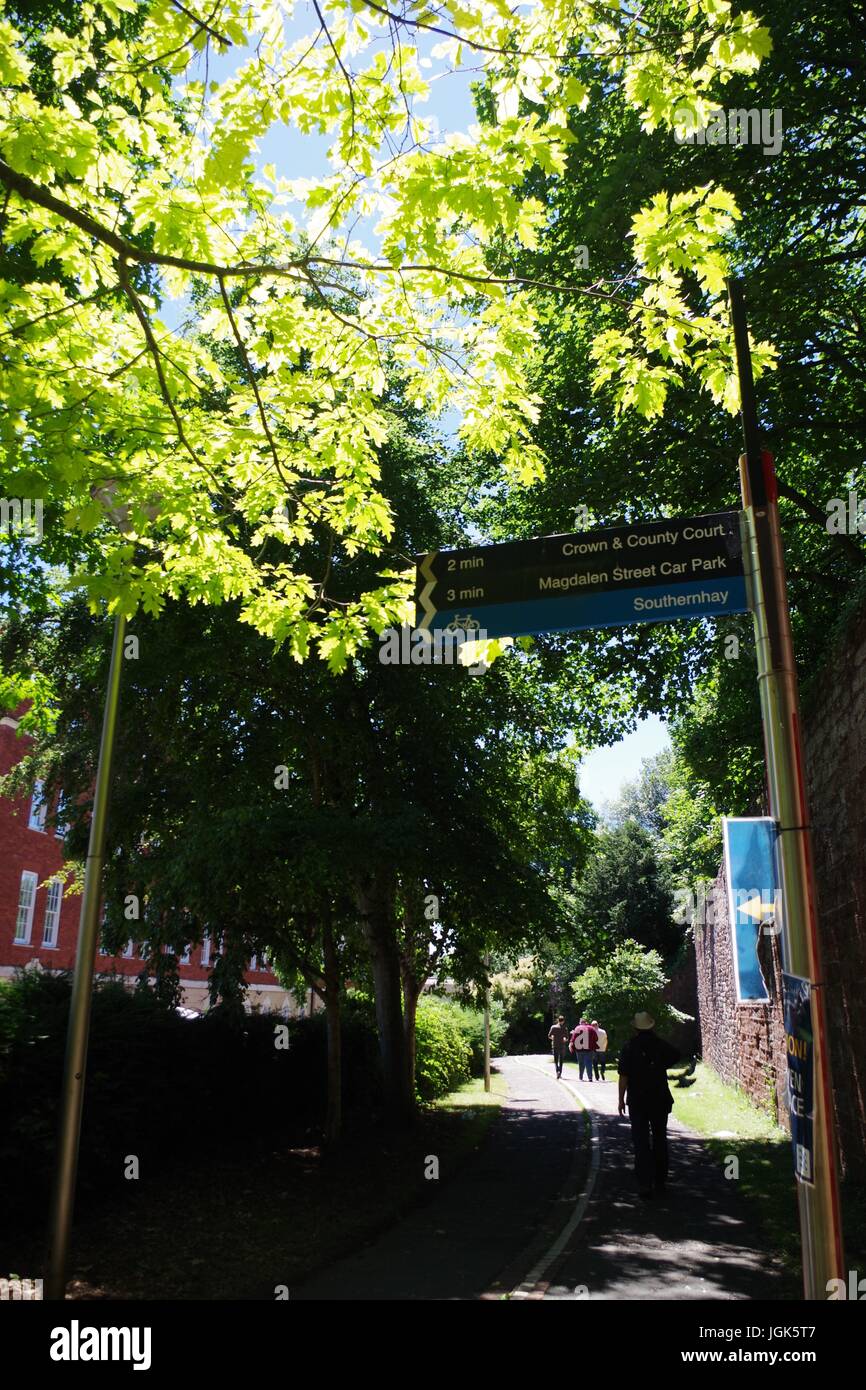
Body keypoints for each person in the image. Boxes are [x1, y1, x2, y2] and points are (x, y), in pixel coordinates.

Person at [618, 1011, 681, 1199]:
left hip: (637, 1100)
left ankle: (645, 1183)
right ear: (651, 1026)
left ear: (636, 1028)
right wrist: (658, 1065)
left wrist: (620, 1099)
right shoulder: (660, 1044)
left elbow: (623, 1076)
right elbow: (676, 1056)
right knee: (660, 1139)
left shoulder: (629, 1047)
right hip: (659, 1098)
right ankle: (660, 1181)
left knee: (641, 1141)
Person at [571, 1017, 598, 1082]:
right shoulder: (591, 1028)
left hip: (579, 1049)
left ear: (580, 1022)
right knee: (589, 1063)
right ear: (586, 1022)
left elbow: (573, 1039)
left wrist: (572, 1046)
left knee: (581, 1063)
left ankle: (581, 1077)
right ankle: (590, 1077)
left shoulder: (577, 1028)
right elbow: (596, 1038)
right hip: (589, 1049)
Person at [548, 1014, 568, 1079]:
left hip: (555, 1045)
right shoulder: (565, 1028)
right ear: (563, 1021)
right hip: (562, 1046)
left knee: (556, 1060)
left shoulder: (553, 1027)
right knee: (561, 1060)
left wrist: (553, 1038)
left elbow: (549, 1036)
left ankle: (557, 1071)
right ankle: (560, 1072)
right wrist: (564, 1039)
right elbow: (566, 1038)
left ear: (558, 1020)